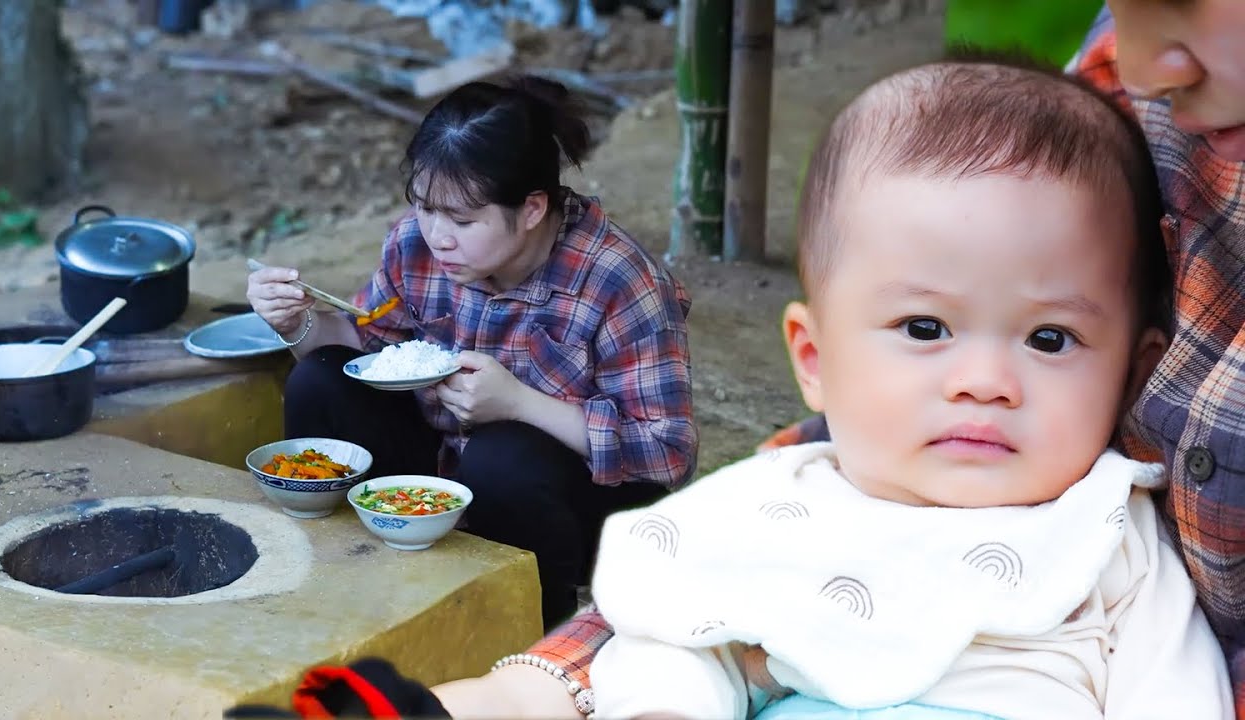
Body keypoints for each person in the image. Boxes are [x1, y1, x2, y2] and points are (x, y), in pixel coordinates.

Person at [430, 1, 1245, 714]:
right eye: (925, 329)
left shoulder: (1113, 543)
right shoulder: (773, 504)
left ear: (1137, 372)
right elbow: (681, 646)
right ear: (814, 360)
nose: (985, 384)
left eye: (1049, 340)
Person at [246, 76, 698, 629]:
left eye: (462, 220)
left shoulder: (617, 279)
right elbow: (369, 353)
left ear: (532, 208)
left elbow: (668, 452)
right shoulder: (415, 243)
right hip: (444, 466)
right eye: (425, 209)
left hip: (576, 506)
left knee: (503, 456)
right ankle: (344, 590)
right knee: (320, 378)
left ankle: (532, 637)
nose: (439, 237)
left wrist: (518, 404)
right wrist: (297, 325)